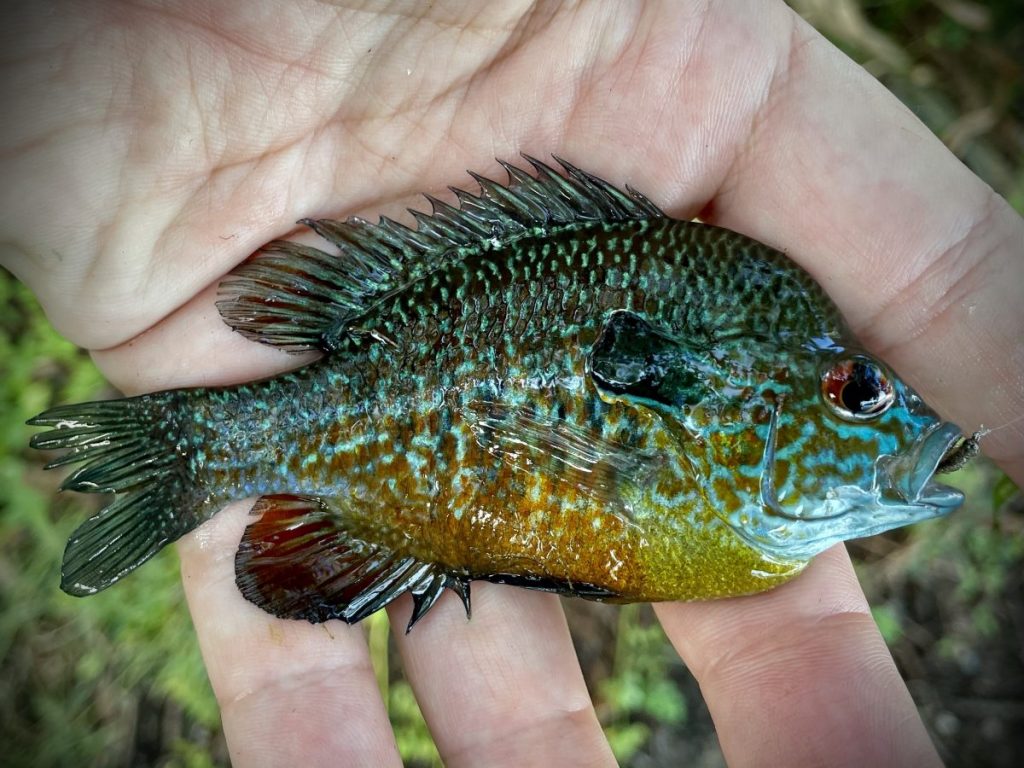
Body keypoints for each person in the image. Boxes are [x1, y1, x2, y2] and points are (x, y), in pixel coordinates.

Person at [2, 2, 1021, 766]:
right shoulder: (752, 315)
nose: (895, 422)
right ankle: (192, 450)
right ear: (751, 394)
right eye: (859, 395)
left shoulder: (752, 365)